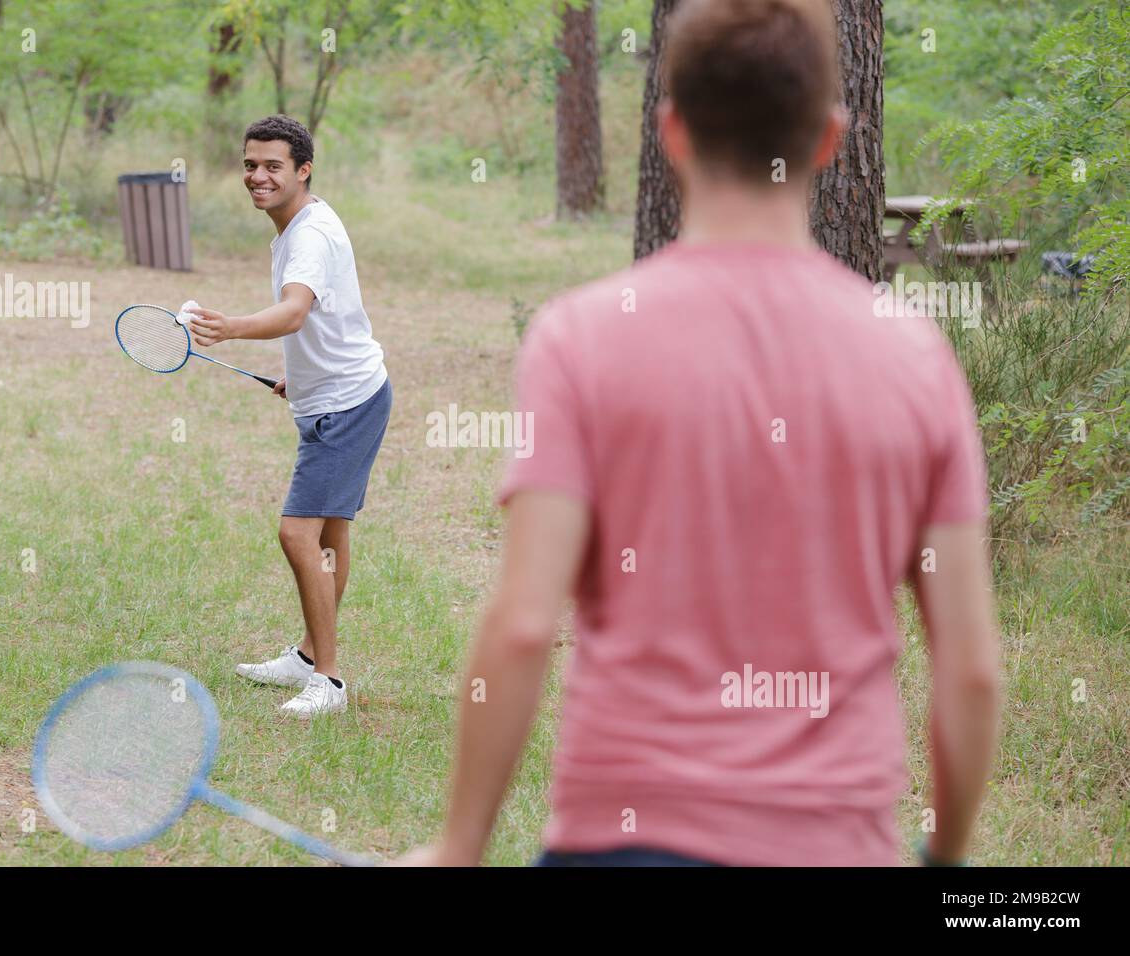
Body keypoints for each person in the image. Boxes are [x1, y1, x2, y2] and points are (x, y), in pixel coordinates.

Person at [400, 0, 1000, 865]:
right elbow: (971, 669)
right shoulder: (916, 356)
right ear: (830, 139)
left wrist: (458, 847)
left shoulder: (583, 337)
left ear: (671, 132)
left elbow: (525, 626)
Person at [189, 115, 391, 718]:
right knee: (330, 535)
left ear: (303, 169)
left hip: (347, 405)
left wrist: (230, 329)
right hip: (338, 393)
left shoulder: (309, 236)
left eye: (273, 166)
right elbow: (325, 318)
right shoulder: (297, 226)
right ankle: (308, 657)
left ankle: (327, 681)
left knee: (296, 533)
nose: (258, 176)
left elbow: (295, 312)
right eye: (251, 164)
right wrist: (297, 376)